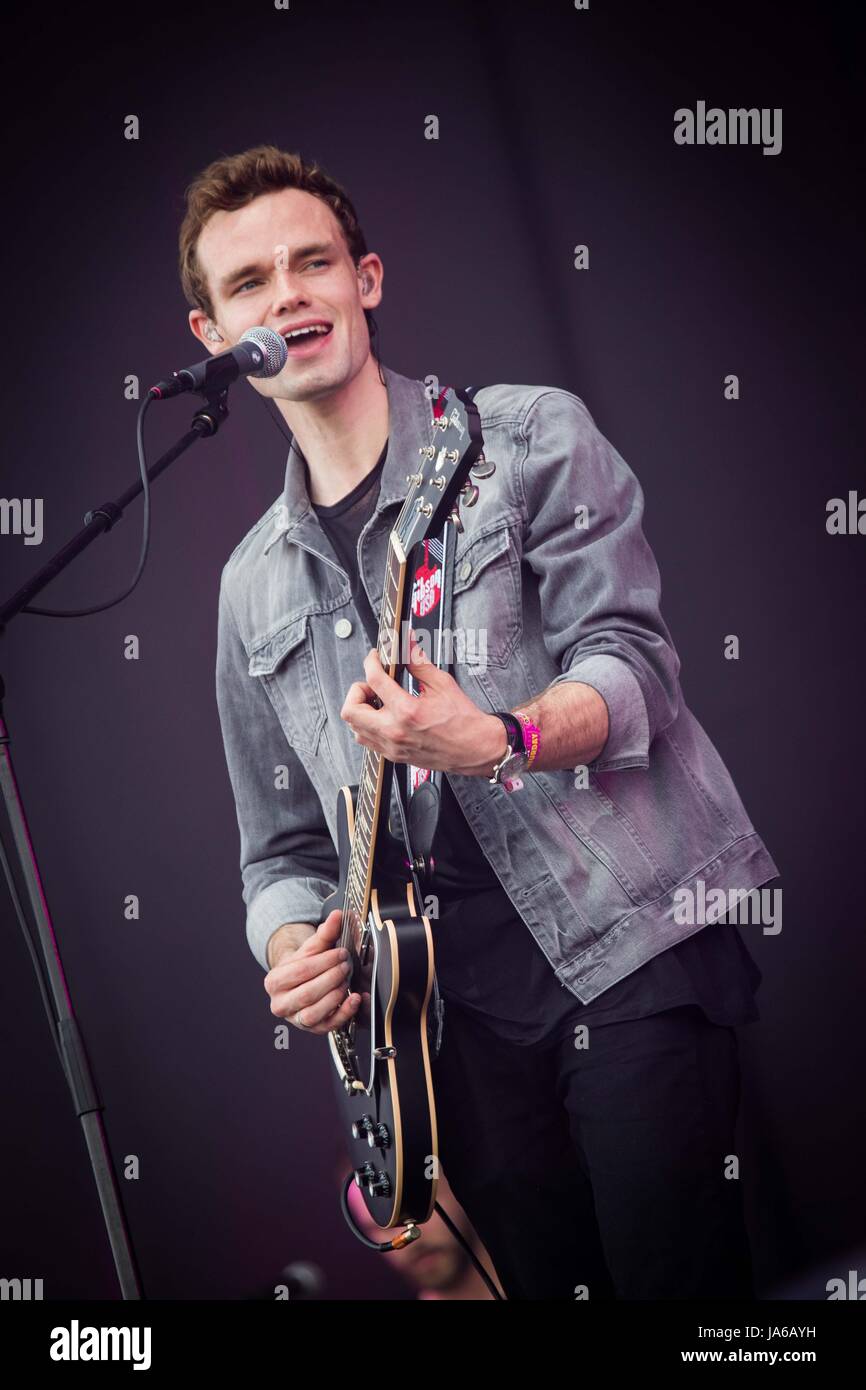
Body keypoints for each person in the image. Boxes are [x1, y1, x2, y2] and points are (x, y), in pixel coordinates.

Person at [181, 143, 781, 1300]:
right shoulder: (248, 587)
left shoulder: (517, 439)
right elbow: (281, 852)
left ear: (368, 279)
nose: (287, 294)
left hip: (627, 949)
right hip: (443, 1030)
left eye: (314, 263)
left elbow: (638, 669)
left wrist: (498, 738)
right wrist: (287, 950)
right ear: (212, 335)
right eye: (249, 282)